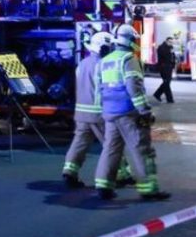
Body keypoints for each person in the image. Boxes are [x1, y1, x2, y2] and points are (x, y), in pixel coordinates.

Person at [94, 24, 169, 200]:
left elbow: (98, 89)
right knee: (141, 149)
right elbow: (134, 88)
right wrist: (144, 111)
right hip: (128, 112)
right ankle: (148, 189)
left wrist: (102, 111)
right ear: (130, 40)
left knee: (110, 149)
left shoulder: (104, 61)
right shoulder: (129, 59)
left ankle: (103, 186)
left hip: (110, 113)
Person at [62, 31, 133, 189]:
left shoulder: (82, 64)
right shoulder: (104, 64)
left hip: (81, 113)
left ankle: (69, 172)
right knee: (112, 145)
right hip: (99, 113)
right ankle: (121, 175)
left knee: (79, 143)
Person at [153, 35, 177, 103]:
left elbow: (173, 57)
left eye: (172, 42)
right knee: (166, 82)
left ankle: (157, 94)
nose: (171, 43)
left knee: (167, 82)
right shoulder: (161, 47)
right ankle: (169, 99)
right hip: (164, 67)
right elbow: (163, 57)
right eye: (170, 42)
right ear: (166, 41)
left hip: (169, 67)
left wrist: (173, 65)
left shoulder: (170, 47)